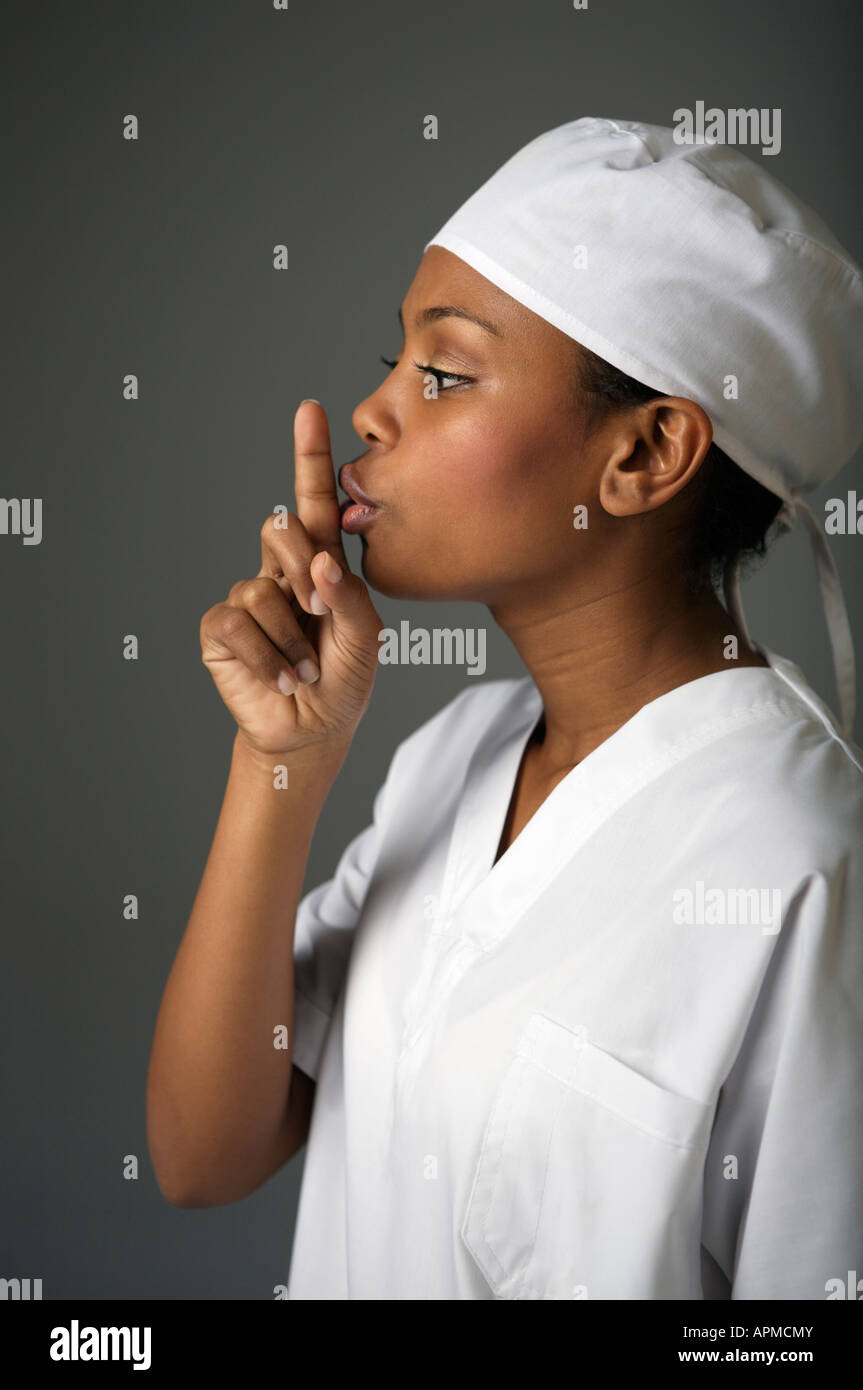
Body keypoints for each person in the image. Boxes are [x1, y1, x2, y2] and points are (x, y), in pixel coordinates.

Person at [147, 117, 863, 1299]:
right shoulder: (453, 757)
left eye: (443, 372)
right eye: (393, 361)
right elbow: (199, 1154)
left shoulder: (804, 862)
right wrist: (279, 762)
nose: (373, 412)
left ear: (643, 453)